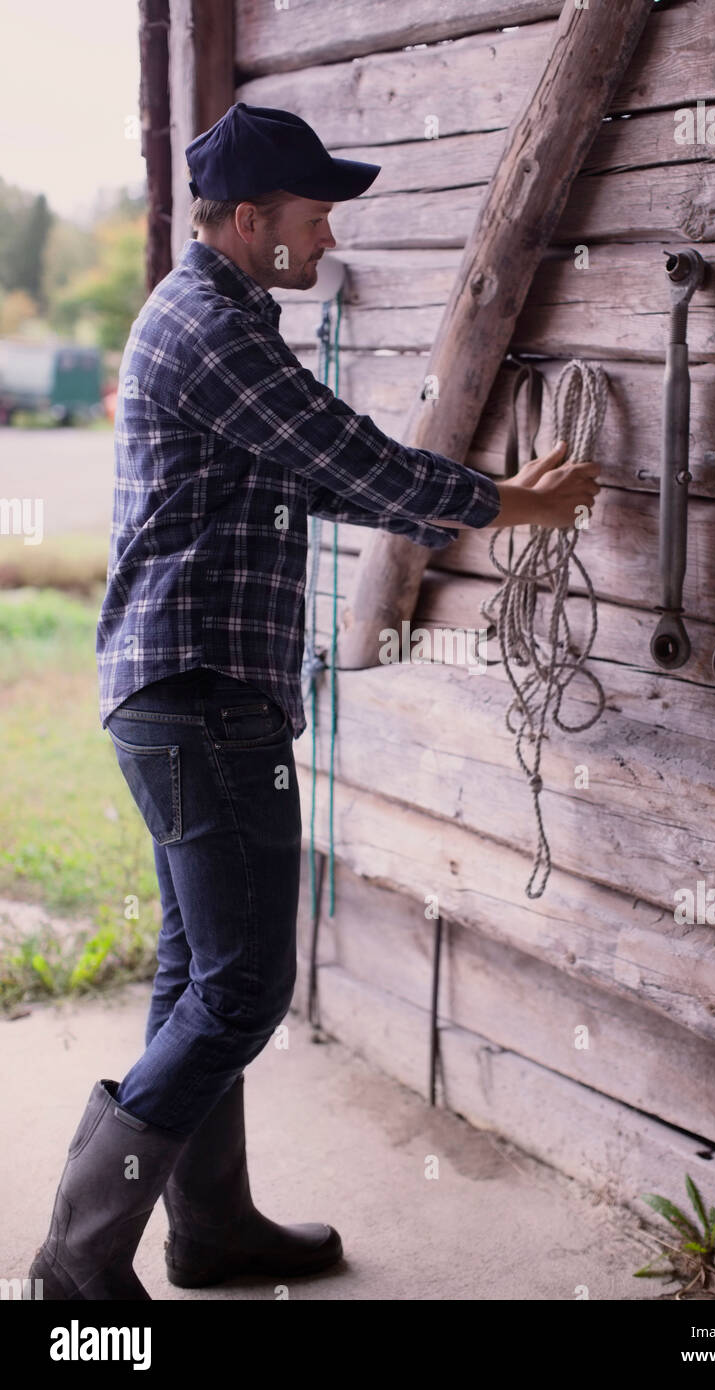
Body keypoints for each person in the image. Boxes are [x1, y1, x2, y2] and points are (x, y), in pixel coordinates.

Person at [30, 102, 600, 1300]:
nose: (327, 235)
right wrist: (509, 505)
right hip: (202, 700)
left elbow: (315, 470)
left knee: (199, 976)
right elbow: (345, 455)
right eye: (311, 215)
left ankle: (213, 1226)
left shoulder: (221, 316)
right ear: (250, 222)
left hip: (189, 695)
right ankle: (77, 1265)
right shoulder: (209, 328)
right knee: (240, 988)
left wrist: (484, 497)